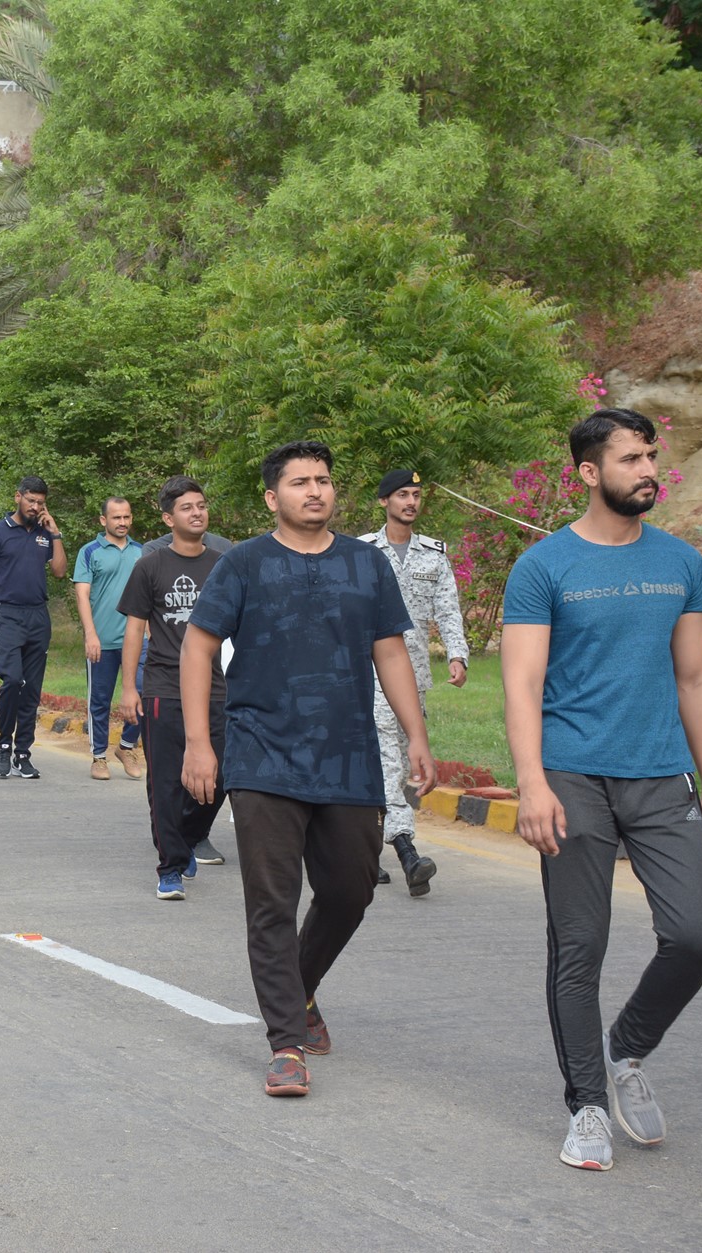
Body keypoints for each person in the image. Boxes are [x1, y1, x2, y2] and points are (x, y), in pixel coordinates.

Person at [500, 408, 702, 1173]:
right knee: (580, 945)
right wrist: (532, 782)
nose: (647, 469)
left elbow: (694, 675)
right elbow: (523, 684)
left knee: (696, 934)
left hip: (662, 775)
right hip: (571, 774)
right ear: (589, 473)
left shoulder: (680, 561)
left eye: (650, 456)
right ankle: (588, 1104)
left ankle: (627, 1046)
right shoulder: (544, 566)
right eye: (630, 459)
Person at [179, 440, 434, 1099]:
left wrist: (416, 735)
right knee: (272, 900)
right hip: (261, 752)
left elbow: (391, 651)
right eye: (299, 482)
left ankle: (301, 984)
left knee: (352, 886)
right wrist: (199, 743)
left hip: (347, 755)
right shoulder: (243, 564)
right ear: (273, 497)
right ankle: (286, 1043)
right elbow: (199, 649)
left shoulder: (365, 564)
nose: (314, 491)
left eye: (323, 480)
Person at [358, 469, 471, 894]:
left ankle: (366, 852)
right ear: (384, 501)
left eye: (416, 495)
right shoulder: (363, 552)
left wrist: (457, 654)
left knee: (396, 762)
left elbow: (448, 608)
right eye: (402, 494)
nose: (410, 501)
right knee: (388, 760)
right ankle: (406, 850)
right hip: (370, 673)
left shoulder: (433, 555)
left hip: (415, 675)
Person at [118, 476, 229, 900]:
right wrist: (130, 688)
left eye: (201, 505)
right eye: (187, 508)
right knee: (165, 781)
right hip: (163, 685)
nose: (197, 512)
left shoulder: (222, 565)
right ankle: (169, 867)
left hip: (216, 689)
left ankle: (185, 840)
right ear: (168, 518)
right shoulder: (151, 565)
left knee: (218, 778)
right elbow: (134, 631)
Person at [0, 476, 66, 780]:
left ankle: (23, 753)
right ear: (17, 498)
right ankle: (4, 745)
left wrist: (56, 533)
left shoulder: (45, 534)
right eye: (30, 500)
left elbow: (59, 572)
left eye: (41, 502)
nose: (35, 507)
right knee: (12, 680)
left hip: (38, 616)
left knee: (31, 690)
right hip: (7, 614)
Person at [74, 497, 145, 781]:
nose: (123, 522)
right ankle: (99, 757)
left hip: (138, 641)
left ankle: (127, 746)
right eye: (116, 518)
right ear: (104, 520)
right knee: (99, 700)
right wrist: (90, 634)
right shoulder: (90, 552)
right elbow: (82, 594)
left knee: (144, 692)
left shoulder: (142, 552)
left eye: (127, 517)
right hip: (102, 641)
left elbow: (149, 595)